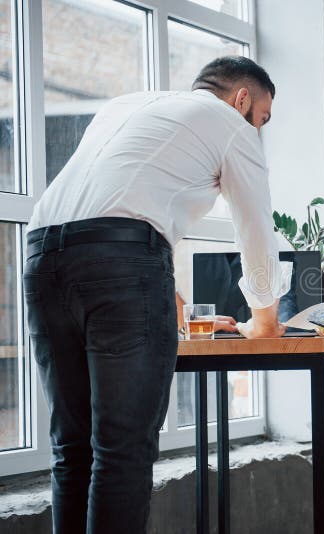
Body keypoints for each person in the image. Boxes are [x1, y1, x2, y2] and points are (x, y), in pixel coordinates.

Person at [23, 56, 286, 533]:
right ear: (241, 98)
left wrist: (174, 305)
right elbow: (256, 231)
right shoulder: (230, 123)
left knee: (72, 446)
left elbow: (114, 206)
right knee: (122, 449)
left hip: (42, 259)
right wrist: (265, 321)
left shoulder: (129, 106)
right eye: (262, 118)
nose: (258, 130)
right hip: (120, 266)